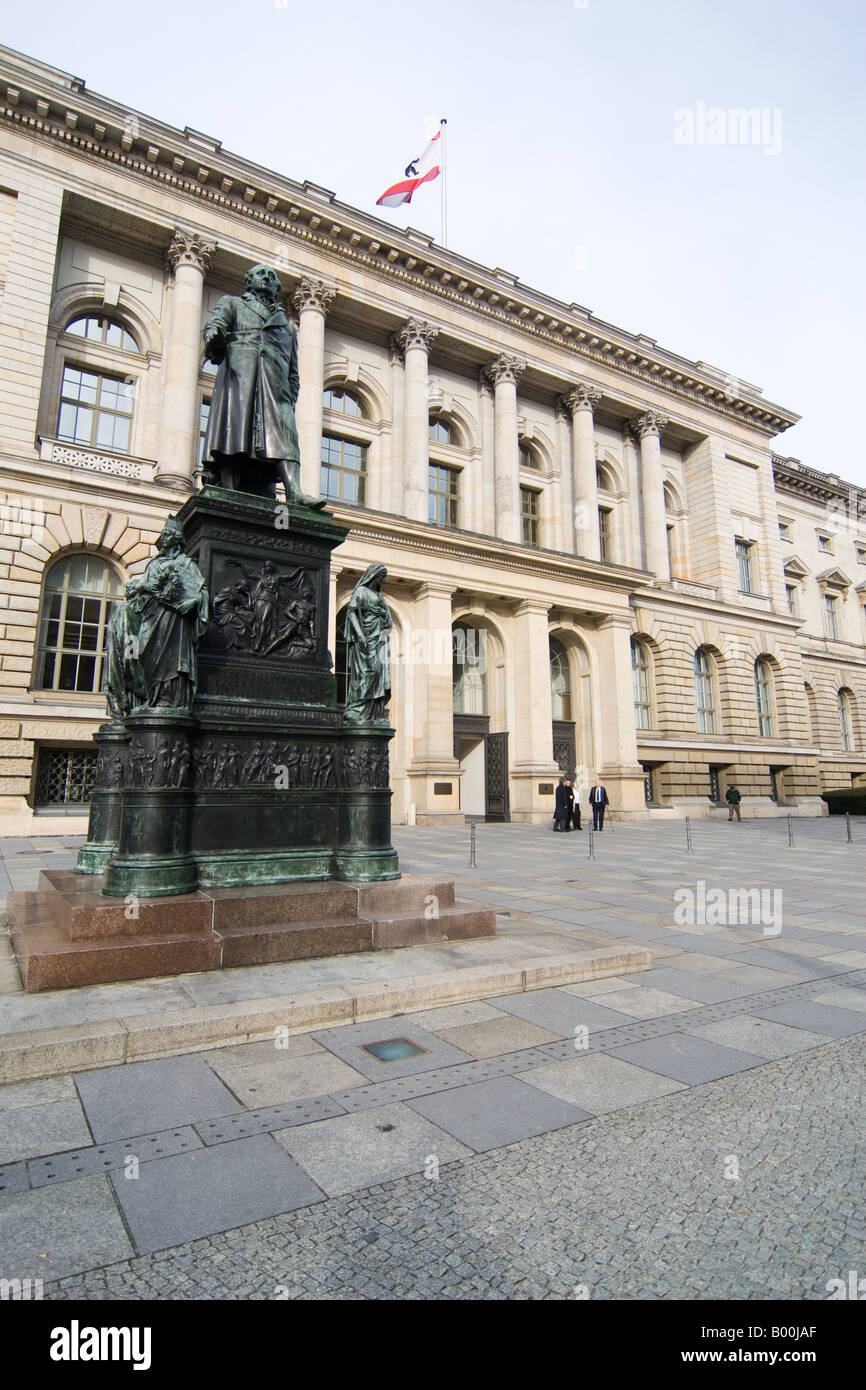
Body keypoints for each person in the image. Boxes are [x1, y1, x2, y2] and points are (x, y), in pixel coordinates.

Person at [201, 263, 325, 508]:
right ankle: (229, 488)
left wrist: (289, 396)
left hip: (275, 387)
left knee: (286, 434)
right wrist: (213, 336)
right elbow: (215, 325)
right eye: (260, 274)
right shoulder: (233, 304)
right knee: (234, 430)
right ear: (249, 281)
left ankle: (294, 492)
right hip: (241, 376)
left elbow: (293, 371)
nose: (266, 278)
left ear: (278, 287)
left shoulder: (288, 327)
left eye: (272, 276)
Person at [344, 564, 392, 723]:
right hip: (365, 638)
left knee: (378, 673)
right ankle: (358, 709)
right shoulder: (361, 591)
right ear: (374, 576)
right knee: (368, 672)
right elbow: (352, 614)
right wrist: (360, 635)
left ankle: (373, 713)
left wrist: (384, 617)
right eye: (381, 578)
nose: (382, 581)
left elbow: (387, 618)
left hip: (379, 638)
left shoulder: (379, 596)